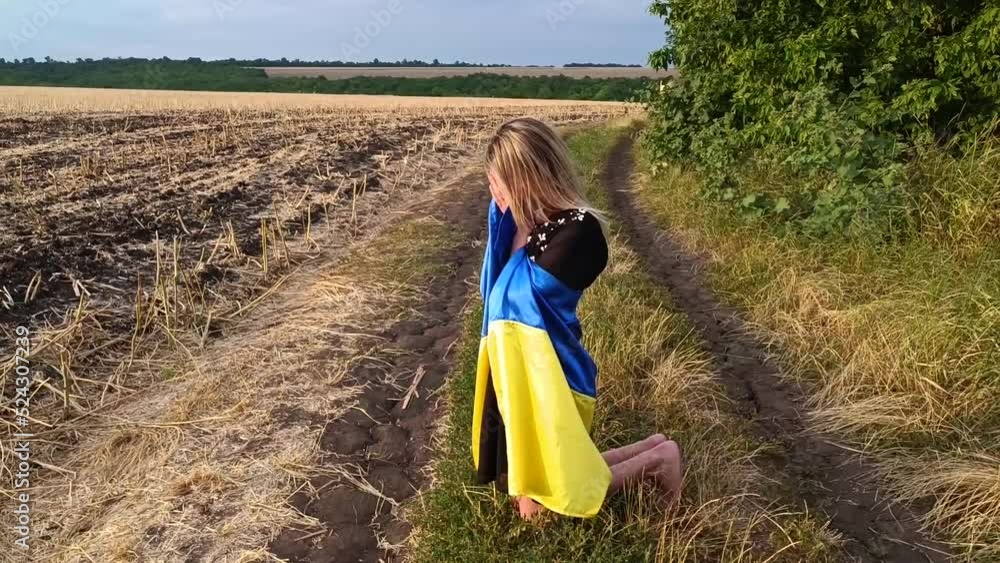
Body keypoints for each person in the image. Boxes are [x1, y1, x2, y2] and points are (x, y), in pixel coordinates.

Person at [471, 117, 683, 521]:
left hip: (550, 368)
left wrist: (513, 221)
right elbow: (491, 291)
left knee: (559, 486)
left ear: (528, 177)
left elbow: (526, 295)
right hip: (512, 366)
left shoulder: (578, 231)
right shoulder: (519, 223)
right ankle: (654, 447)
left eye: (499, 181)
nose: (493, 192)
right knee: (534, 489)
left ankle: (659, 460)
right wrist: (507, 219)